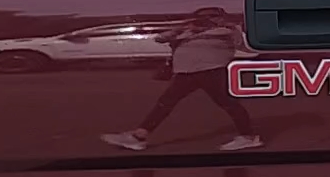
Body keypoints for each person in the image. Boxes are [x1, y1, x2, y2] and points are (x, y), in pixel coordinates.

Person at [102, 8, 261, 151]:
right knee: (165, 102)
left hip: (212, 71)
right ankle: (138, 136)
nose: (208, 20)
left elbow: (226, 37)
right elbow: (160, 39)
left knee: (228, 103)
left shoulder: (227, 30)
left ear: (221, 18)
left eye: (212, 16)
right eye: (202, 17)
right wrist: (180, 29)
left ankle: (248, 137)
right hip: (187, 72)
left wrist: (197, 29)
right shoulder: (188, 31)